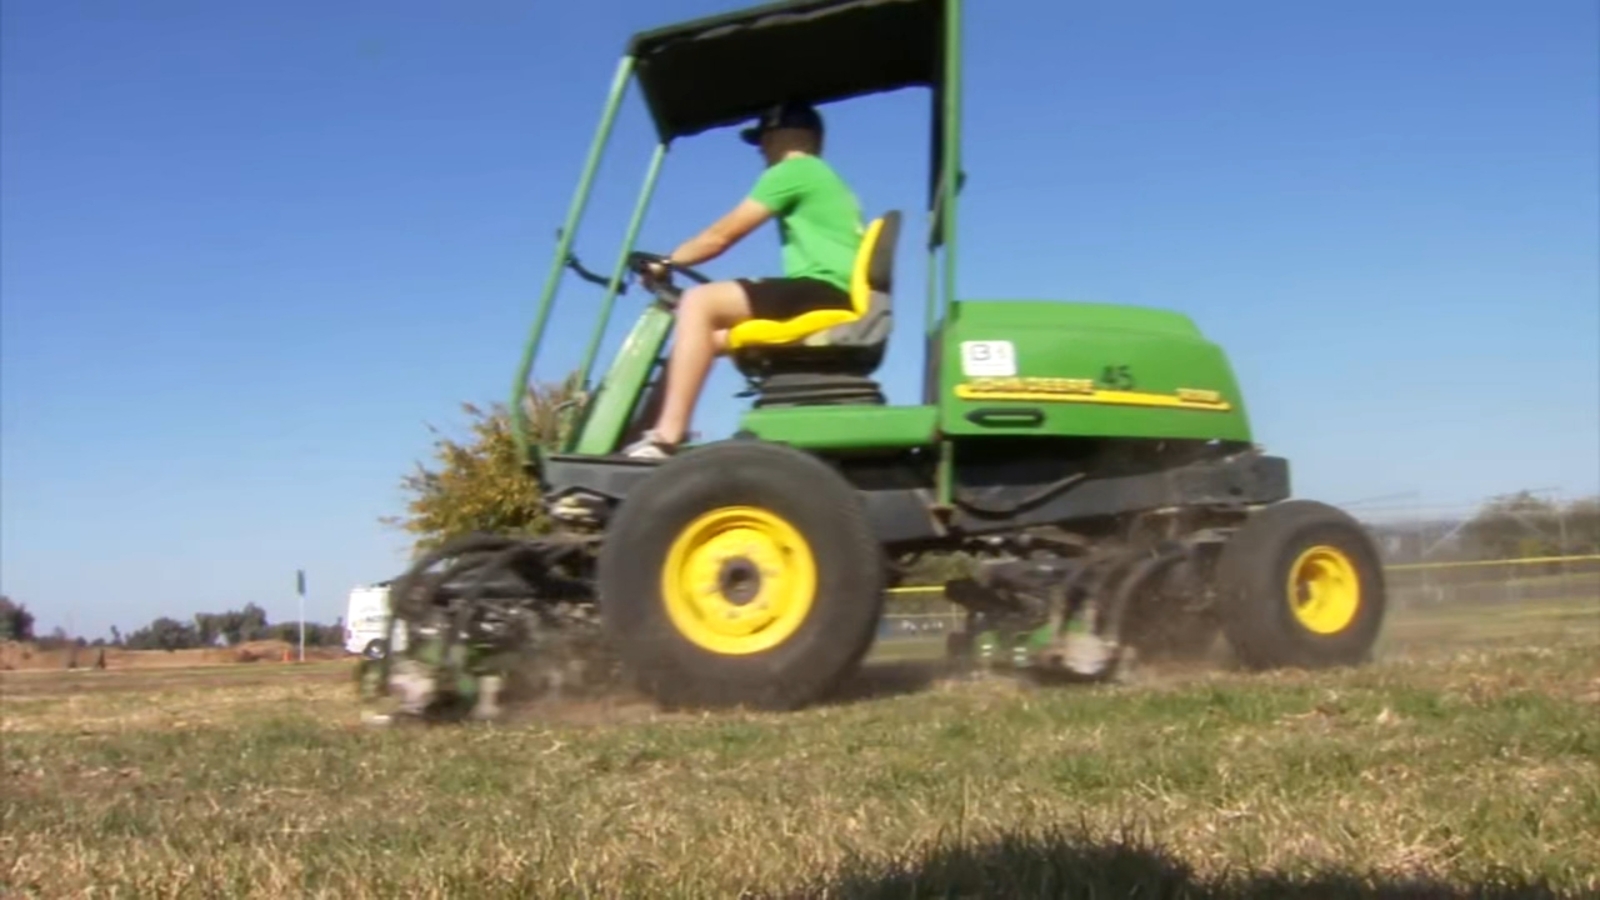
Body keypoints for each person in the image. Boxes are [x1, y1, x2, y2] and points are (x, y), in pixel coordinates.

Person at [621, 100, 865, 459]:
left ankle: (666, 437)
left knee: (699, 302)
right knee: (704, 339)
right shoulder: (822, 176)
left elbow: (720, 237)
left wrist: (666, 261)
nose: (761, 150)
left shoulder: (794, 170)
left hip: (823, 290)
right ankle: (638, 437)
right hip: (829, 290)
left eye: (764, 139)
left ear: (785, 135)